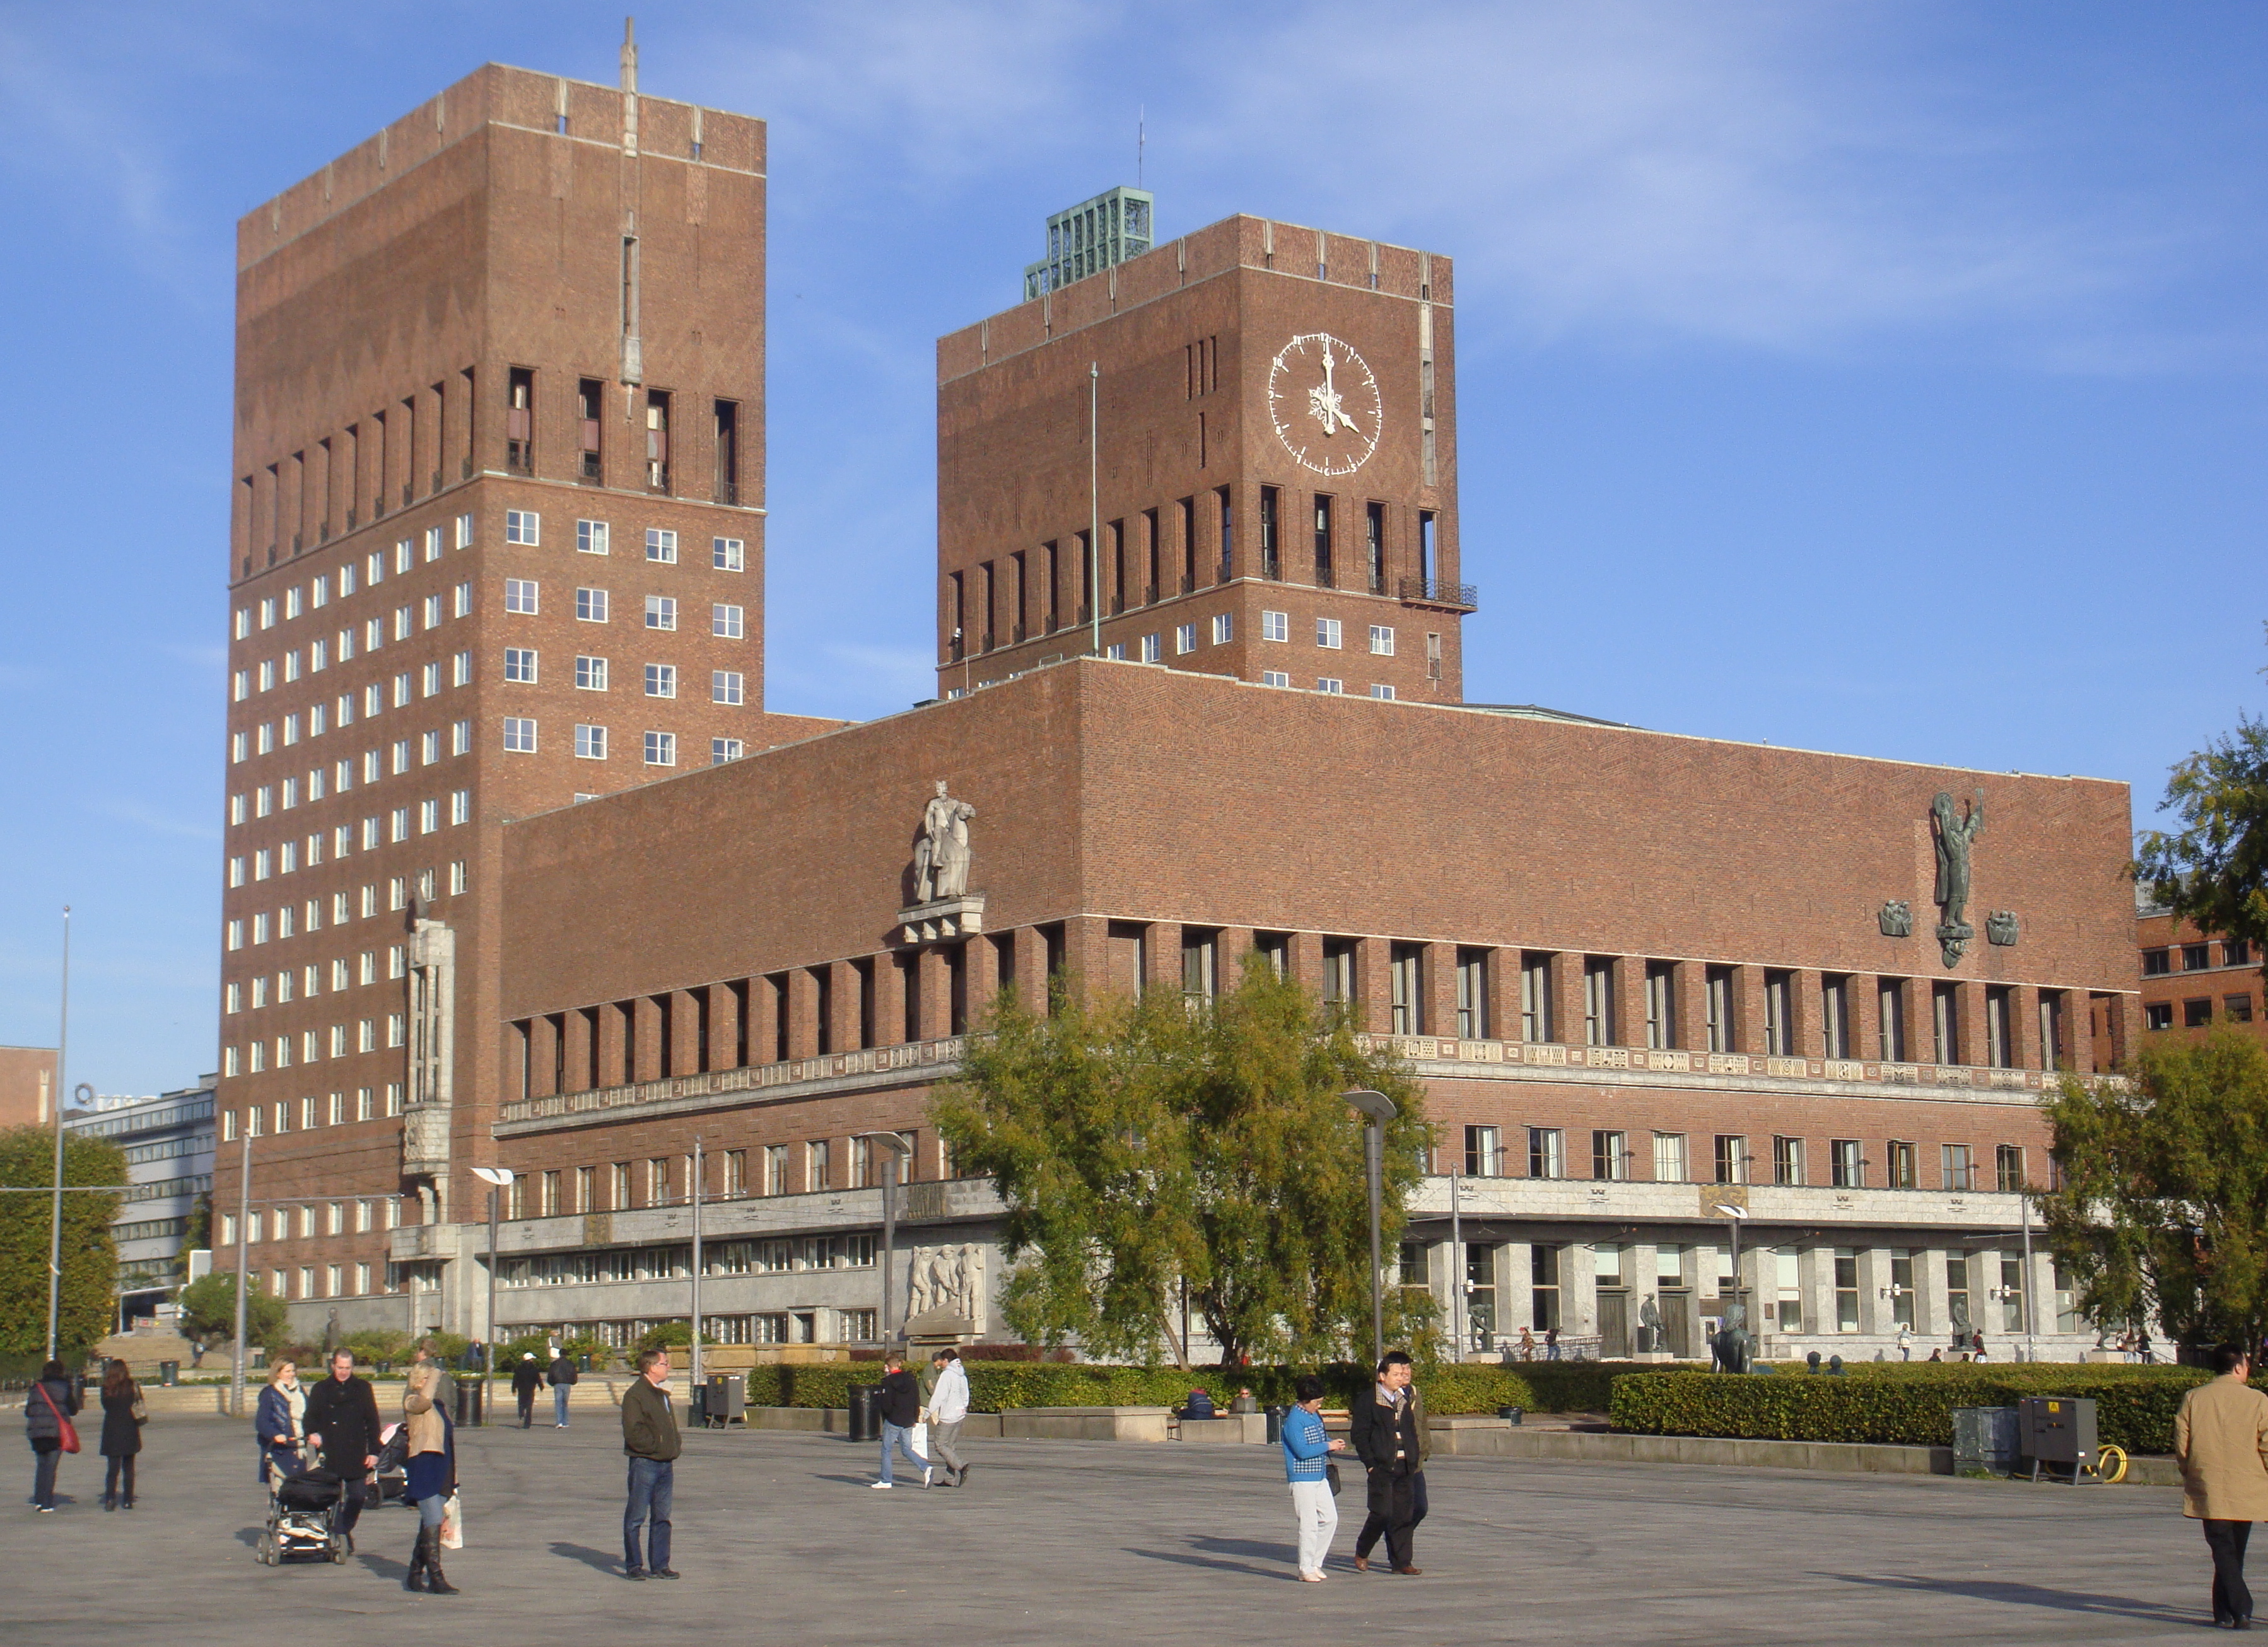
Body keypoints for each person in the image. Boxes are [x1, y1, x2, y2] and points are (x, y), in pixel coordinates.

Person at [2175, 1342, 2268, 1629]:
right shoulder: (2258, 1400)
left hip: (2209, 1483)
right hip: (2247, 1485)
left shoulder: (2194, 1398)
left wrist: (2190, 1471)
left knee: (2224, 1551)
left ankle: (2225, 1610)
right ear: (2239, 1367)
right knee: (2232, 1550)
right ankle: (2240, 1609)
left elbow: (2182, 1443)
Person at [1350, 1349, 1427, 1575]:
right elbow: (1360, 1435)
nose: (1399, 1377)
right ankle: (1363, 1550)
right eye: (1394, 1374)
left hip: (1405, 1465)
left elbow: (1412, 1430)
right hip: (1382, 1467)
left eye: (1400, 1373)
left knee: (1404, 1515)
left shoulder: (1403, 1400)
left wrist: (1414, 1456)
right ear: (1382, 1376)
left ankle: (1402, 1562)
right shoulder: (1368, 1400)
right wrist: (1370, 1464)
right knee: (1381, 1513)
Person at [303, 1348, 381, 1552]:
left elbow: (373, 1422)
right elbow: (310, 1418)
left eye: (347, 1368)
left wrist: (374, 1452)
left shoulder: (363, 1388)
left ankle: (343, 1529)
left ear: (352, 1367)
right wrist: (312, 1433)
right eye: (340, 1368)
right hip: (330, 1451)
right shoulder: (321, 1389)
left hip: (356, 1452)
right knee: (332, 1497)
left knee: (357, 1496)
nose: (344, 1372)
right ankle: (338, 1535)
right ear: (332, 1366)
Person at [621, 1347, 681, 1580]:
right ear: (652, 1367)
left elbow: (669, 1426)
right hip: (645, 1463)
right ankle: (634, 1565)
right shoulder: (636, 1395)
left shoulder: (661, 1394)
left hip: (666, 1463)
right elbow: (633, 1431)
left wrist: (674, 1445)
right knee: (636, 1517)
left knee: (662, 1516)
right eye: (665, 1363)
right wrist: (655, 1447)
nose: (668, 1367)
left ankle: (660, 1565)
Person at [1282, 1373, 1348, 1581]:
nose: (1318, 1406)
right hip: (1302, 1478)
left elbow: (1320, 1439)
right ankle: (1305, 1567)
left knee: (1330, 1518)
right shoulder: (1294, 1420)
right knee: (1309, 1524)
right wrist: (1328, 1446)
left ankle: (1315, 1562)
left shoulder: (1313, 1416)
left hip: (1319, 1476)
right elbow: (1301, 1450)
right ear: (1305, 1400)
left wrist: (1332, 1443)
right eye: (1317, 1402)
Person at [400, 1363, 459, 1593]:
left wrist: (454, 1476)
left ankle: (415, 1573)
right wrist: (435, 1373)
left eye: (431, 1379)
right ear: (417, 1381)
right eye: (425, 1379)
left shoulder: (439, 1406)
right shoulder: (413, 1402)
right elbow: (423, 1400)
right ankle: (436, 1577)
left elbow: (448, 1440)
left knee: (430, 1522)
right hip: (423, 1465)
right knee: (433, 1519)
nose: (431, 1383)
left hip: (441, 1466)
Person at [24, 1358, 79, 1513]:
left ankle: (39, 1500)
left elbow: (28, 1412)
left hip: (36, 1433)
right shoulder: (64, 1387)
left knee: (41, 1466)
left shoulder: (36, 1388)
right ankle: (47, 1503)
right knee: (51, 1468)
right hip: (56, 1433)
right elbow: (73, 1409)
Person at [872, 1351, 933, 1489]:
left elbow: (886, 1403)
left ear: (888, 1366)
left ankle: (886, 1480)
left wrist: (887, 1416)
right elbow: (916, 1399)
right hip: (908, 1419)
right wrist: (915, 1417)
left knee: (887, 1449)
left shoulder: (888, 1382)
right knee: (906, 1449)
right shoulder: (910, 1379)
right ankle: (925, 1467)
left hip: (894, 1420)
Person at [97, 1359, 143, 1511]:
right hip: (129, 1428)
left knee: (112, 1469)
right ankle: (128, 1500)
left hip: (112, 1430)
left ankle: (110, 1498)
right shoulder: (132, 1386)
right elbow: (139, 1402)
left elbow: (105, 1406)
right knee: (129, 1468)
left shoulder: (106, 1388)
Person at [255, 1358, 307, 1484]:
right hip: (279, 1449)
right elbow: (261, 1422)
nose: (291, 1374)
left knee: (300, 1488)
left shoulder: (300, 1391)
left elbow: (310, 1415)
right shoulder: (270, 1393)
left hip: (298, 1446)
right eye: (287, 1371)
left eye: (293, 1371)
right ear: (278, 1373)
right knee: (284, 1487)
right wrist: (275, 1434)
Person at [925, 1349, 971, 1488]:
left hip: (948, 1416)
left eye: (943, 1361)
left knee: (940, 1445)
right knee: (950, 1446)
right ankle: (949, 1479)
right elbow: (966, 1394)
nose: (941, 1365)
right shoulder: (961, 1374)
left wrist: (928, 1413)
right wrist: (963, 1408)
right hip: (960, 1414)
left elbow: (939, 1396)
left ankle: (961, 1465)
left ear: (946, 1361)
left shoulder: (947, 1375)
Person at [547, 1347, 580, 1428]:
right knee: (565, 1403)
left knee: (558, 1403)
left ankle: (559, 1422)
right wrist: (573, 1382)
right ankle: (565, 1422)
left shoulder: (555, 1364)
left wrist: (552, 1383)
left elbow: (551, 1374)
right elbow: (574, 1374)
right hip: (567, 1384)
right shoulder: (570, 1363)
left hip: (557, 1384)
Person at [512, 1353, 544, 1429]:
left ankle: (521, 1416)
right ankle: (527, 1423)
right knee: (529, 1406)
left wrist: (513, 1389)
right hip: (530, 1389)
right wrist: (541, 1386)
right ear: (531, 1360)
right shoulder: (534, 1369)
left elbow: (515, 1379)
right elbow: (538, 1378)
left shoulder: (519, 1368)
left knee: (521, 1404)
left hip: (521, 1389)